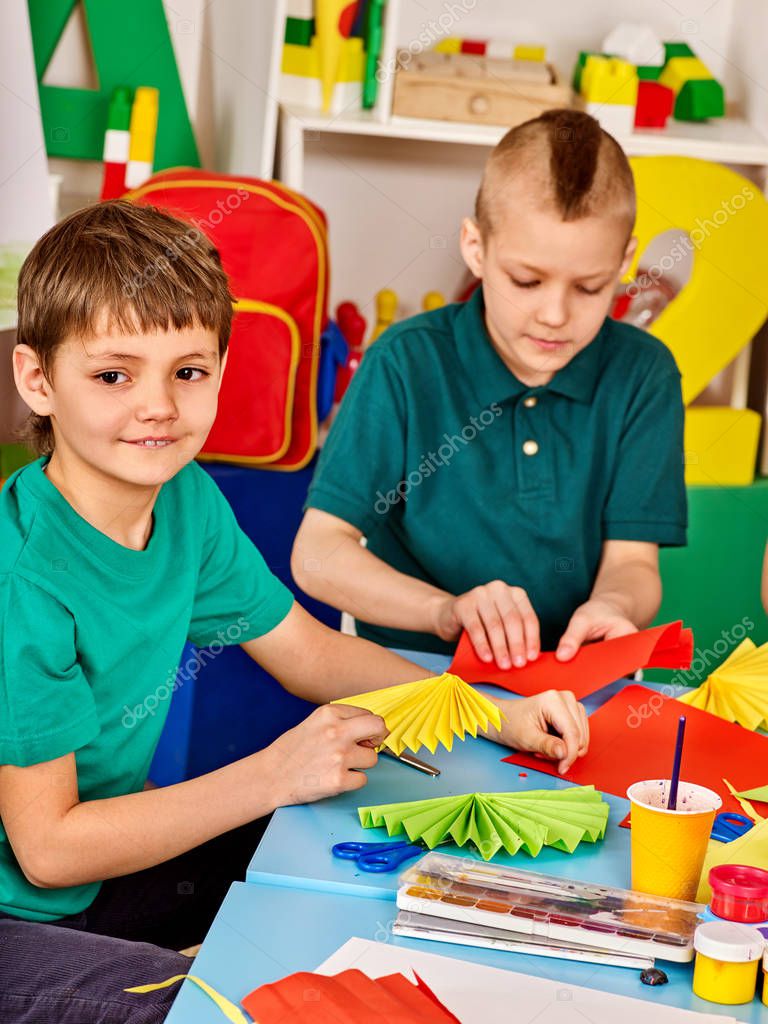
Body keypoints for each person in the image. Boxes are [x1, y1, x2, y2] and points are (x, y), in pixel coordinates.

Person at [0, 200, 589, 1023]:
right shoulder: (23, 578)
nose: (159, 406)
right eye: (113, 375)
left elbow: (309, 654)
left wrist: (491, 711)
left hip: (97, 883)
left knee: (357, 867)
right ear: (38, 380)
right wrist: (273, 771)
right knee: (208, 1004)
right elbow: (48, 847)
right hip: (20, 912)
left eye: (189, 371)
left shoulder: (186, 503)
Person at [293, 109, 687, 671]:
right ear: (475, 247)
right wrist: (446, 611)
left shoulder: (643, 373)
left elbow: (633, 563)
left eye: (590, 287)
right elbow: (318, 554)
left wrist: (612, 606)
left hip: (573, 683)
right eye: (526, 281)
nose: (554, 315)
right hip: (414, 679)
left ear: (624, 263)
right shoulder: (405, 363)